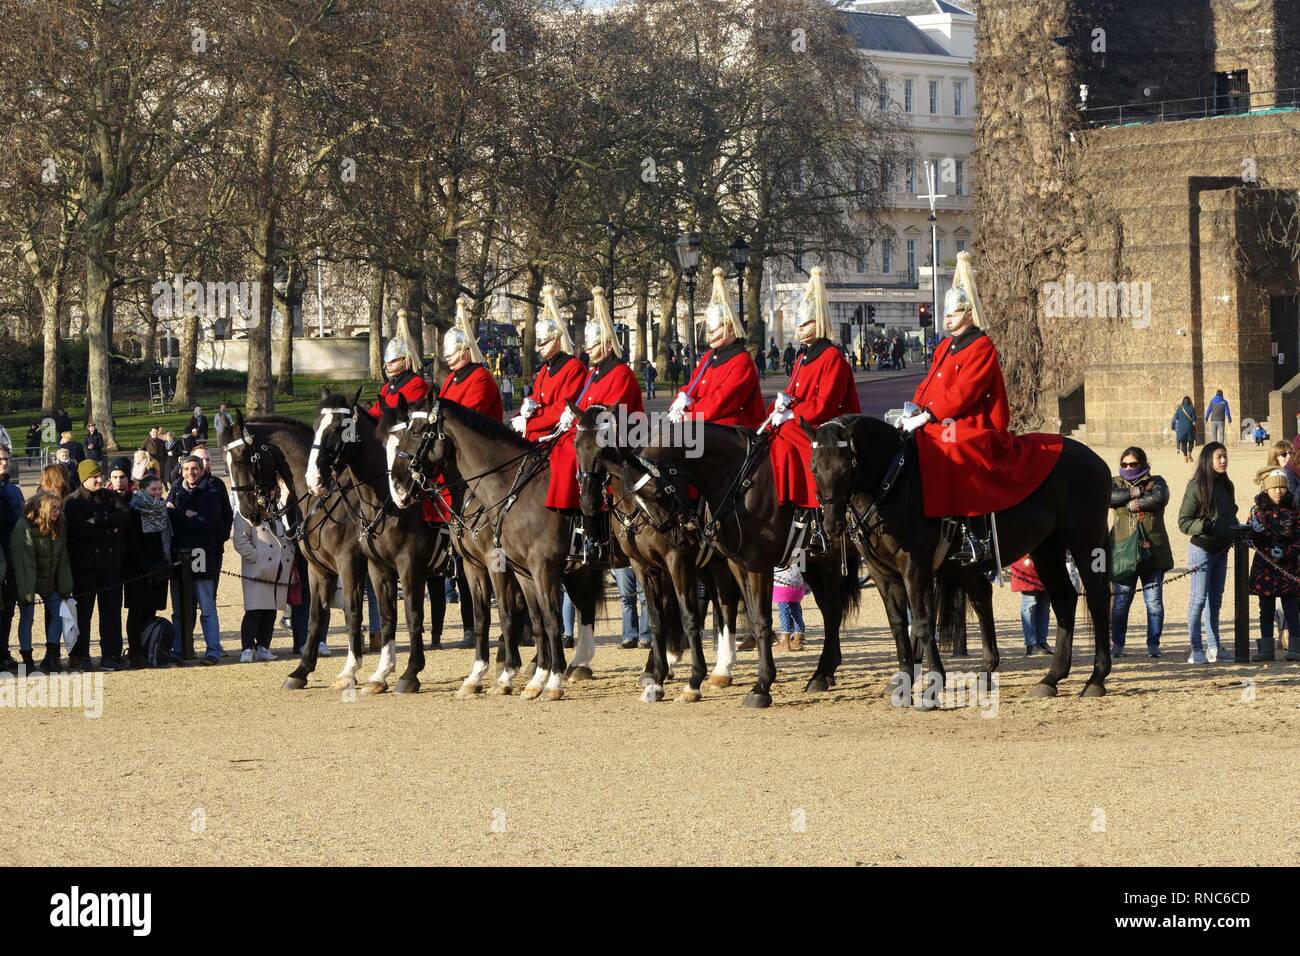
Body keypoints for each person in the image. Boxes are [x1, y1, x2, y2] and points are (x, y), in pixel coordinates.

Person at [901, 252, 1063, 563]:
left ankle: (973, 534)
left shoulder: (981, 345)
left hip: (973, 424)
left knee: (955, 447)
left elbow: (966, 392)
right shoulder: (945, 347)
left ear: (968, 312)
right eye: (946, 315)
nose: (948, 319)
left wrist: (929, 414)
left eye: (954, 314)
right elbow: (930, 383)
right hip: (942, 421)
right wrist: (913, 409)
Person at [544, 285, 645, 565]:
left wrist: (583, 416)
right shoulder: (594, 374)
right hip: (598, 440)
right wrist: (572, 414)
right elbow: (585, 403)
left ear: (608, 345)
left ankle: (597, 535)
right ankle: (585, 530)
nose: (588, 350)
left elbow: (610, 409)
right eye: (587, 345)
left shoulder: (621, 372)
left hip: (622, 441)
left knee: (588, 466)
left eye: (593, 345)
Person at [765, 266, 861, 547]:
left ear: (818, 323)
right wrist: (780, 405)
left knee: (796, 445)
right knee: (770, 437)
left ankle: (813, 510)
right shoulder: (803, 357)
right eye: (798, 324)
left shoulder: (831, 356)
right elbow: (796, 393)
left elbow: (825, 404)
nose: (799, 329)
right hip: (809, 423)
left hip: (830, 428)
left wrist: (793, 413)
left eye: (805, 324)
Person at [667, 268, 765, 429]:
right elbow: (693, 385)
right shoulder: (708, 357)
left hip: (731, 429)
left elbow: (723, 401)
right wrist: (681, 399)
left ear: (731, 329)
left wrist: (691, 414)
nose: (710, 335)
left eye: (715, 329)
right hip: (706, 423)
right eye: (709, 330)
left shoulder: (741, 362)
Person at [63, 459, 130, 671]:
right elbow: (82, 530)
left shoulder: (111, 497)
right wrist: (109, 530)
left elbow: (124, 517)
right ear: (84, 479)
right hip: (85, 567)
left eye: (101, 475)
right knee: (83, 614)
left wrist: (99, 519)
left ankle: (111, 654)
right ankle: (82, 656)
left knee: (111, 613)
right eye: (95, 477)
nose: (100, 479)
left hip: (111, 566)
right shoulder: (72, 502)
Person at [1109, 447, 1172, 658]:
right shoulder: (1115, 482)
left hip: (1154, 551)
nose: (1128, 468)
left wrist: (1129, 504)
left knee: (1153, 601)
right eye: (1124, 464)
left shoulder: (1157, 481)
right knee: (1121, 601)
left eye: (1133, 464)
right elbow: (1109, 497)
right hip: (1123, 551)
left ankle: (1153, 644)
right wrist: (1136, 493)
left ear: (1142, 464)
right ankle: (1117, 644)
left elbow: (1159, 498)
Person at [1178, 442, 1237, 664]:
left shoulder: (1227, 485)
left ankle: (1214, 647)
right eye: (1219, 457)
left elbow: (1230, 513)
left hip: (1222, 550)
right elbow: (1183, 522)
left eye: (1225, 456)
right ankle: (1196, 649)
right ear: (1207, 460)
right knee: (1198, 599)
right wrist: (1203, 526)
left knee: (1215, 602)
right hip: (1201, 549)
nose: (1223, 461)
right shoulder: (1196, 486)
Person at [168, 455, 225, 665]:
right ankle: (179, 648)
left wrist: (179, 516)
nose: (191, 473)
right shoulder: (176, 489)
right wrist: (186, 514)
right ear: (182, 471)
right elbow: (168, 515)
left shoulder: (211, 492)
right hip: (178, 554)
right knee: (179, 608)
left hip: (202, 553)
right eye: (187, 469)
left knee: (207, 606)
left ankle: (213, 650)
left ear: (201, 470)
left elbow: (206, 522)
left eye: (195, 469)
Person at [9, 492, 73, 673]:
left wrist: (64, 587)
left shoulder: (59, 525)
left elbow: (62, 559)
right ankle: (27, 659)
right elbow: (24, 563)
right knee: (27, 617)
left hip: (49, 579)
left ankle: (50, 656)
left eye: (59, 508)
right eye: (53, 508)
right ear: (43, 508)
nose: (58, 512)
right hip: (27, 579)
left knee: (60, 615)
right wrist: (26, 593)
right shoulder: (24, 526)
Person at [513, 285, 585, 443]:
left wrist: (531, 423)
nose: (540, 348)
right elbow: (536, 398)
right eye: (539, 344)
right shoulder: (546, 369)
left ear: (557, 340)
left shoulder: (574, 367)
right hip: (539, 430)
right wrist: (522, 413)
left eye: (545, 343)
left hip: (561, 431)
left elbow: (562, 407)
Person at [1247, 469, 1300, 663]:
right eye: (1274, 487)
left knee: (1292, 609)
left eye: (1282, 487)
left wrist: (1286, 552)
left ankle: (1296, 648)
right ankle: (1266, 649)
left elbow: (1298, 538)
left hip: (1289, 568)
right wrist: (1255, 532)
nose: (1278, 491)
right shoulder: (1257, 511)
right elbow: (1250, 540)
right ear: (1266, 489)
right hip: (1265, 568)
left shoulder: (1295, 511)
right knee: (1266, 609)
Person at [232, 502, 294, 663]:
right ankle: (247, 648)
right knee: (254, 610)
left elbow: (283, 538)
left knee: (270, 611)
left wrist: (288, 556)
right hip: (257, 570)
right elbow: (240, 541)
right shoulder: (244, 514)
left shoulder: (275, 512)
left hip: (277, 568)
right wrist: (257, 558)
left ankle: (263, 646)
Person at [123, 473, 173, 667]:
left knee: (151, 611)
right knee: (136, 612)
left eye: (160, 489)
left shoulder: (162, 509)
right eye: (153, 489)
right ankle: (135, 651)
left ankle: (148, 648)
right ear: (142, 490)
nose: (158, 493)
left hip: (159, 569)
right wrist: (147, 567)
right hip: (139, 570)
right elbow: (133, 543)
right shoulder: (135, 510)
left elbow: (165, 538)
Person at [366, 310, 429, 421]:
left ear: (406, 360)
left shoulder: (416, 384)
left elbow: (401, 415)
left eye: (394, 360)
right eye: (388, 360)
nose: (389, 364)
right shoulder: (386, 388)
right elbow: (375, 412)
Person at [0, 444, 23, 671]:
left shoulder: (14, 490)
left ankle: (3, 652)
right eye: (0, 459)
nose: (4, 462)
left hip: (13, 555)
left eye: (6, 459)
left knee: (8, 609)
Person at [1009, 554, 1053, 655]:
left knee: (1044, 605)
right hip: (1026, 562)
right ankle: (1032, 644)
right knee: (1030, 605)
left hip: (1045, 563)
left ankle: (1041, 642)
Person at [773, 562, 807, 653]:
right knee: (796, 611)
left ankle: (785, 642)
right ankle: (798, 640)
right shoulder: (800, 548)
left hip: (781, 583)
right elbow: (803, 568)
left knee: (784, 611)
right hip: (798, 583)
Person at [613, 567, 649, 650]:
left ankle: (646, 637)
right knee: (626, 600)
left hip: (641, 560)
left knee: (646, 599)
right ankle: (629, 637)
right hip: (623, 563)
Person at [1171, 396, 1197, 462]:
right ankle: (1189, 454)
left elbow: (1176, 418)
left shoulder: (1179, 409)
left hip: (1181, 428)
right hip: (1189, 428)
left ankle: (1185, 457)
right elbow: (1194, 419)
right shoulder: (1192, 408)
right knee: (1191, 441)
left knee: (1183, 442)